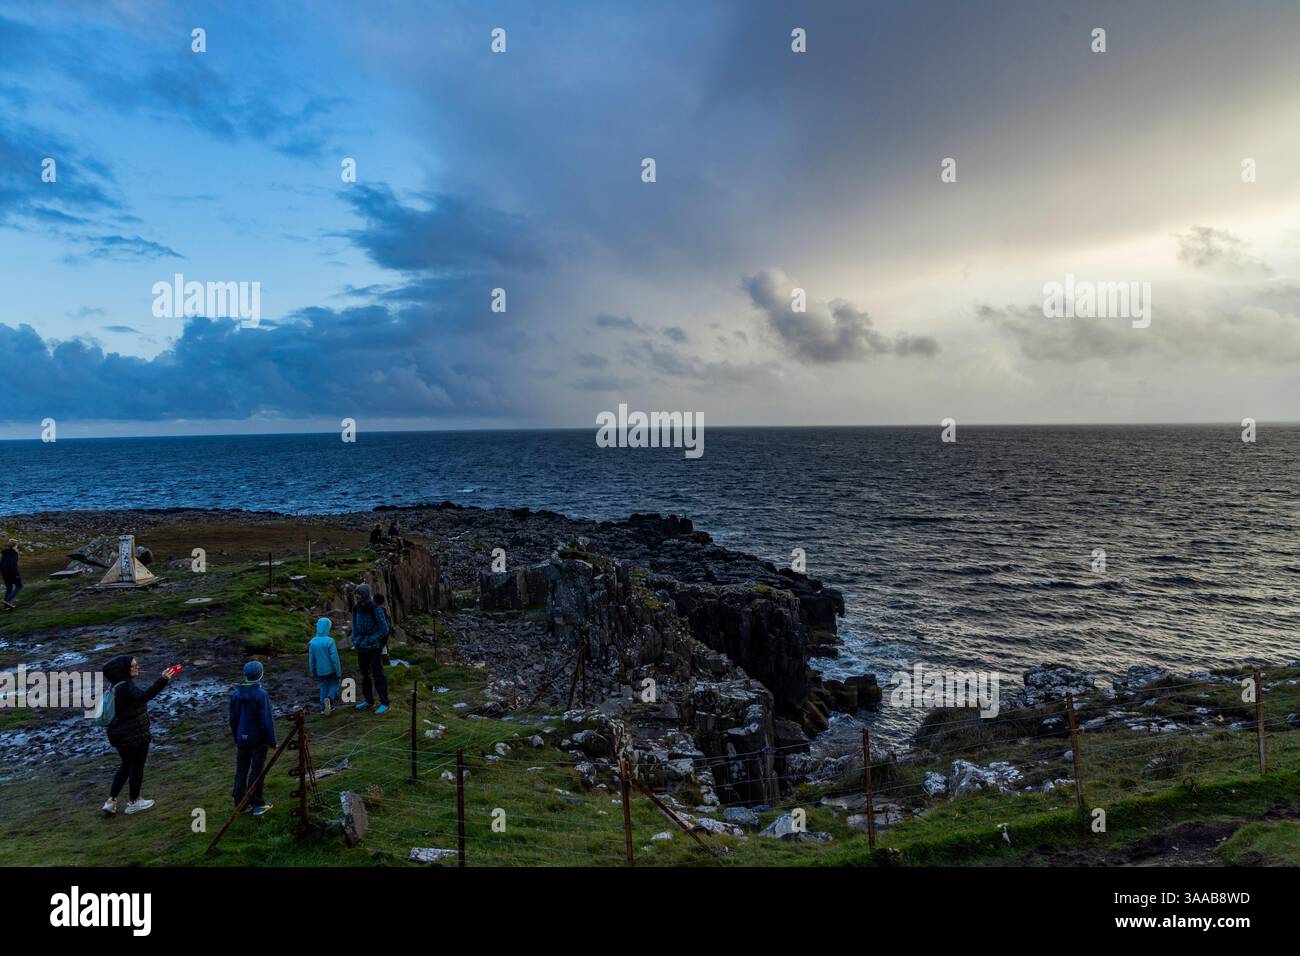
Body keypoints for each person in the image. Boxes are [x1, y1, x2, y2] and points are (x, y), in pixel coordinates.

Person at [100, 655, 179, 816]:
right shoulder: (127, 686)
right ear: (123, 669)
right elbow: (144, 697)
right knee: (137, 766)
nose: (137, 667)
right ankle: (134, 801)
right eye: (133, 666)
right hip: (134, 734)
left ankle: (111, 801)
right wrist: (163, 679)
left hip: (118, 734)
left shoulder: (115, 685)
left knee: (126, 765)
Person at [229, 660, 277, 815]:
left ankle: (240, 803)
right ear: (260, 675)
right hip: (258, 739)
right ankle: (257, 803)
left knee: (241, 769)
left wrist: (236, 736)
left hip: (242, 737)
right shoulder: (261, 695)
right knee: (257, 770)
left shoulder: (236, 694)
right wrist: (272, 741)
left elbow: (233, 718)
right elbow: (266, 719)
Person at [350, 583, 390, 714]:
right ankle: (369, 700)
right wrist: (355, 639)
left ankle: (384, 703)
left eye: (359, 593)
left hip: (373, 647)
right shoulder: (356, 608)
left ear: (365, 594)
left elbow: (384, 629)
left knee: (378, 675)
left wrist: (370, 640)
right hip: (361, 646)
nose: (357, 596)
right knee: (364, 675)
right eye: (356, 593)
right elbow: (355, 626)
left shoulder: (375, 608)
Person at [308, 617, 342, 715]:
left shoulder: (312, 642)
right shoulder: (330, 641)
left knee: (323, 687)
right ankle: (329, 698)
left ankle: (323, 708)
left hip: (320, 671)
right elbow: (334, 659)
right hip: (331, 670)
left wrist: (313, 672)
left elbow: (311, 660)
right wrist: (338, 672)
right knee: (334, 684)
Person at [1, 539, 21, 609]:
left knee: (9, 588)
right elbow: (13, 565)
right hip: (12, 573)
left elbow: (1, 564)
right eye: (16, 545)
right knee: (19, 586)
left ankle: (6, 603)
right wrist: (17, 575)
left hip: (4, 573)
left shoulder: (5, 553)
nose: (17, 546)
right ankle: (8, 601)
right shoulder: (14, 553)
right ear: (14, 546)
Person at [374, 593, 391, 666]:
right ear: (383, 602)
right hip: (383, 636)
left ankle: (384, 664)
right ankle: (386, 664)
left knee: (380, 650)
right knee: (383, 649)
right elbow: (387, 626)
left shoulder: (377, 611)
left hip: (378, 637)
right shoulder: (383, 611)